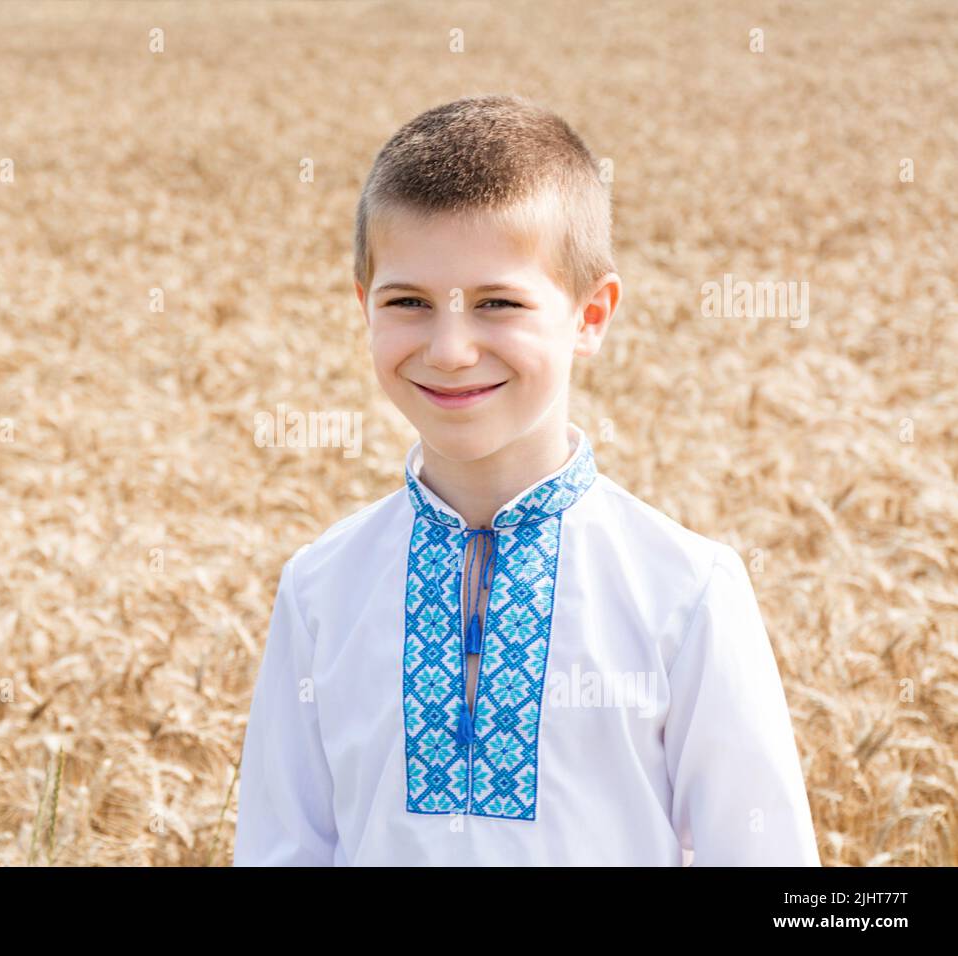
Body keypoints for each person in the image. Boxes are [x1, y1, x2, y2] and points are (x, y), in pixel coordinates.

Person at [232, 94, 820, 866]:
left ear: (591, 315)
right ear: (361, 306)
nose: (449, 349)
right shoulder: (319, 589)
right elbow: (284, 849)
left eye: (497, 303)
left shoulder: (687, 591)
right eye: (407, 302)